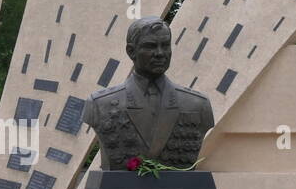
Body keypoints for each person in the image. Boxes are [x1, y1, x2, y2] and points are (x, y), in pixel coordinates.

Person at [81, 16, 214, 170]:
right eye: (150, 46)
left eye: (165, 45)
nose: (159, 53)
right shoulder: (99, 104)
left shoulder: (198, 104)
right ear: (131, 51)